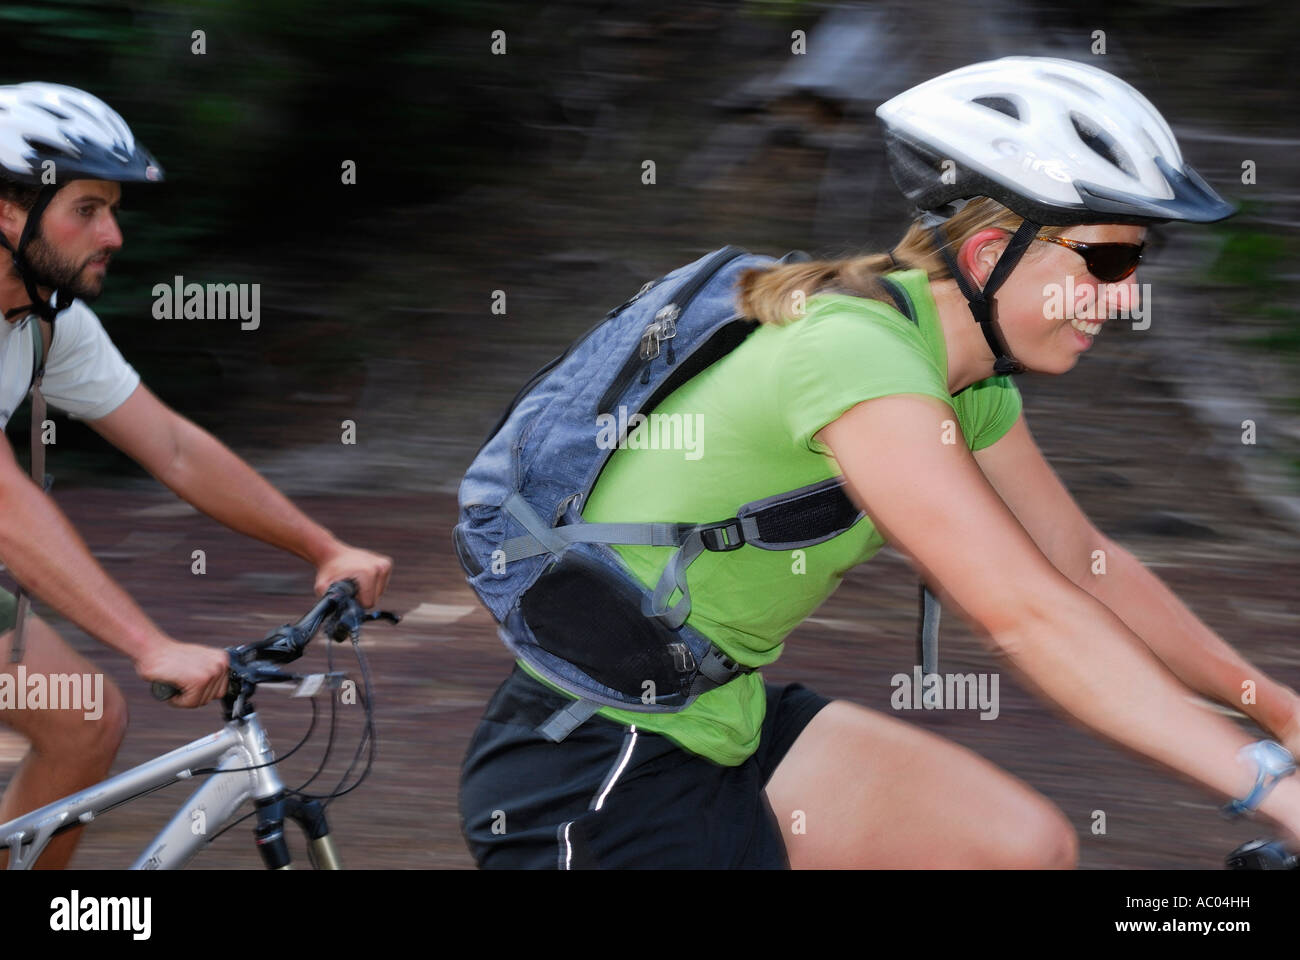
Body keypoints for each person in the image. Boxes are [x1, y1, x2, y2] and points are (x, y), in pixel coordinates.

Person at [458, 55, 1300, 869]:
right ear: (987, 256)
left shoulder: (960, 381)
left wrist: (1280, 715)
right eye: (1108, 260)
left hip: (718, 718)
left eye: (1138, 262)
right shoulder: (855, 352)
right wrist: (1269, 787)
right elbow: (1027, 614)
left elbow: (1081, 564)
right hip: (592, 770)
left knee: (1018, 849)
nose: (1127, 294)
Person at [0, 82, 392, 869]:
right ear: (8, 211)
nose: (112, 233)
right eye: (87, 209)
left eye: (113, 209)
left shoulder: (44, 322)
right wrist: (147, 644)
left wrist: (323, 548)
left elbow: (171, 446)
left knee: (83, 720)